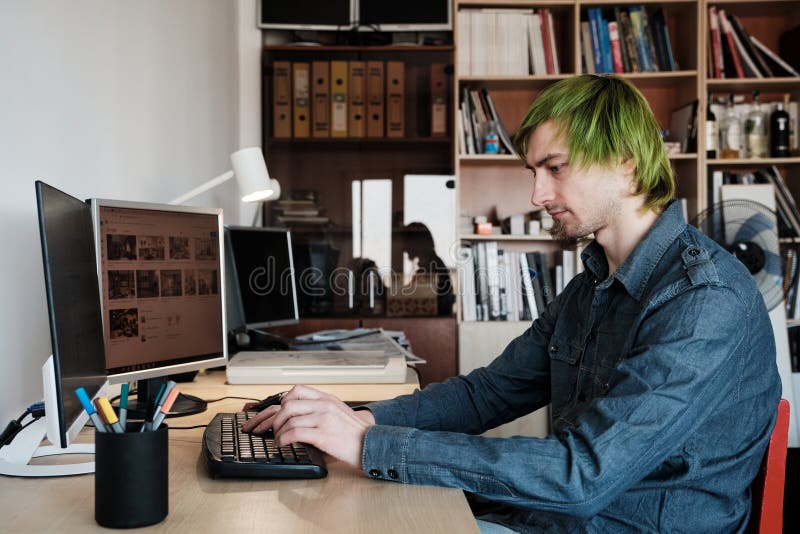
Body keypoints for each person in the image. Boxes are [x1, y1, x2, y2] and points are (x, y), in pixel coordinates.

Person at [242, 75, 781, 533]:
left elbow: (581, 475)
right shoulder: (592, 281)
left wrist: (371, 443)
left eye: (556, 168)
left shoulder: (704, 301)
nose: (537, 196)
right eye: (533, 172)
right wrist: (345, 419)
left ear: (627, 164)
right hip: (561, 517)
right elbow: (488, 395)